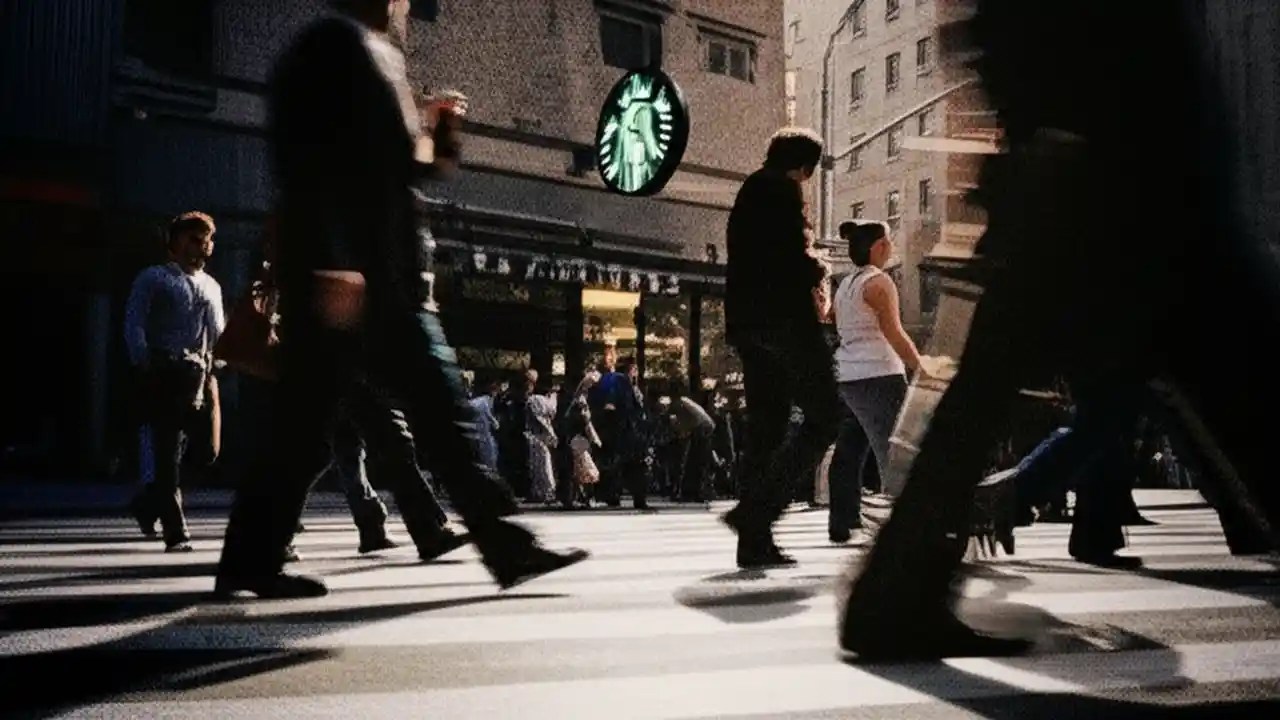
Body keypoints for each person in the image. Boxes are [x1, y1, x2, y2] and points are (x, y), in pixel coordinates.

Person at [839, 0, 1280, 660]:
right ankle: (902, 584)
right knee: (1240, 371)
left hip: (1085, 154)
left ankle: (899, 586)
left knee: (994, 387)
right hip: (1113, 160)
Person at [213, 0, 587, 599]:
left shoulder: (374, 55)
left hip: (377, 281)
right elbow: (313, 169)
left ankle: (249, 558)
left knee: (327, 424)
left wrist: (440, 129)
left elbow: (403, 167)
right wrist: (336, 264)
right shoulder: (333, 48)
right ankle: (505, 543)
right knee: (425, 413)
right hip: (357, 281)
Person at [722, 127, 840, 569]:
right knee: (825, 417)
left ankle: (754, 542)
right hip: (786, 323)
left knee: (767, 431)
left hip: (750, 326)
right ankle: (758, 511)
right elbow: (789, 259)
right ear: (804, 167)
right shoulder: (780, 191)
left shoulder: (750, 190)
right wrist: (818, 267)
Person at [124, 211, 225, 553]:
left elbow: (218, 332)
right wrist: (143, 359)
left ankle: (150, 501)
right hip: (165, 370)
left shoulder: (212, 286)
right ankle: (175, 530)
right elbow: (134, 321)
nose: (200, 247)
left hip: (202, 374)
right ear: (175, 242)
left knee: (207, 452)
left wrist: (221, 362)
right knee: (167, 453)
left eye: (206, 240)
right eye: (193, 239)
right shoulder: (154, 278)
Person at [826, 220, 922, 545]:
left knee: (850, 447)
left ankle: (842, 520)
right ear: (879, 246)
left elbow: (836, 322)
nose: (892, 246)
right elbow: (894, 333)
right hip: (880, 374)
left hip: (849, 378)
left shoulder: (846, 285)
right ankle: (903, 529)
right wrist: (921, 366)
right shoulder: (880, 283)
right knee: (894, 451)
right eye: (889, 241)